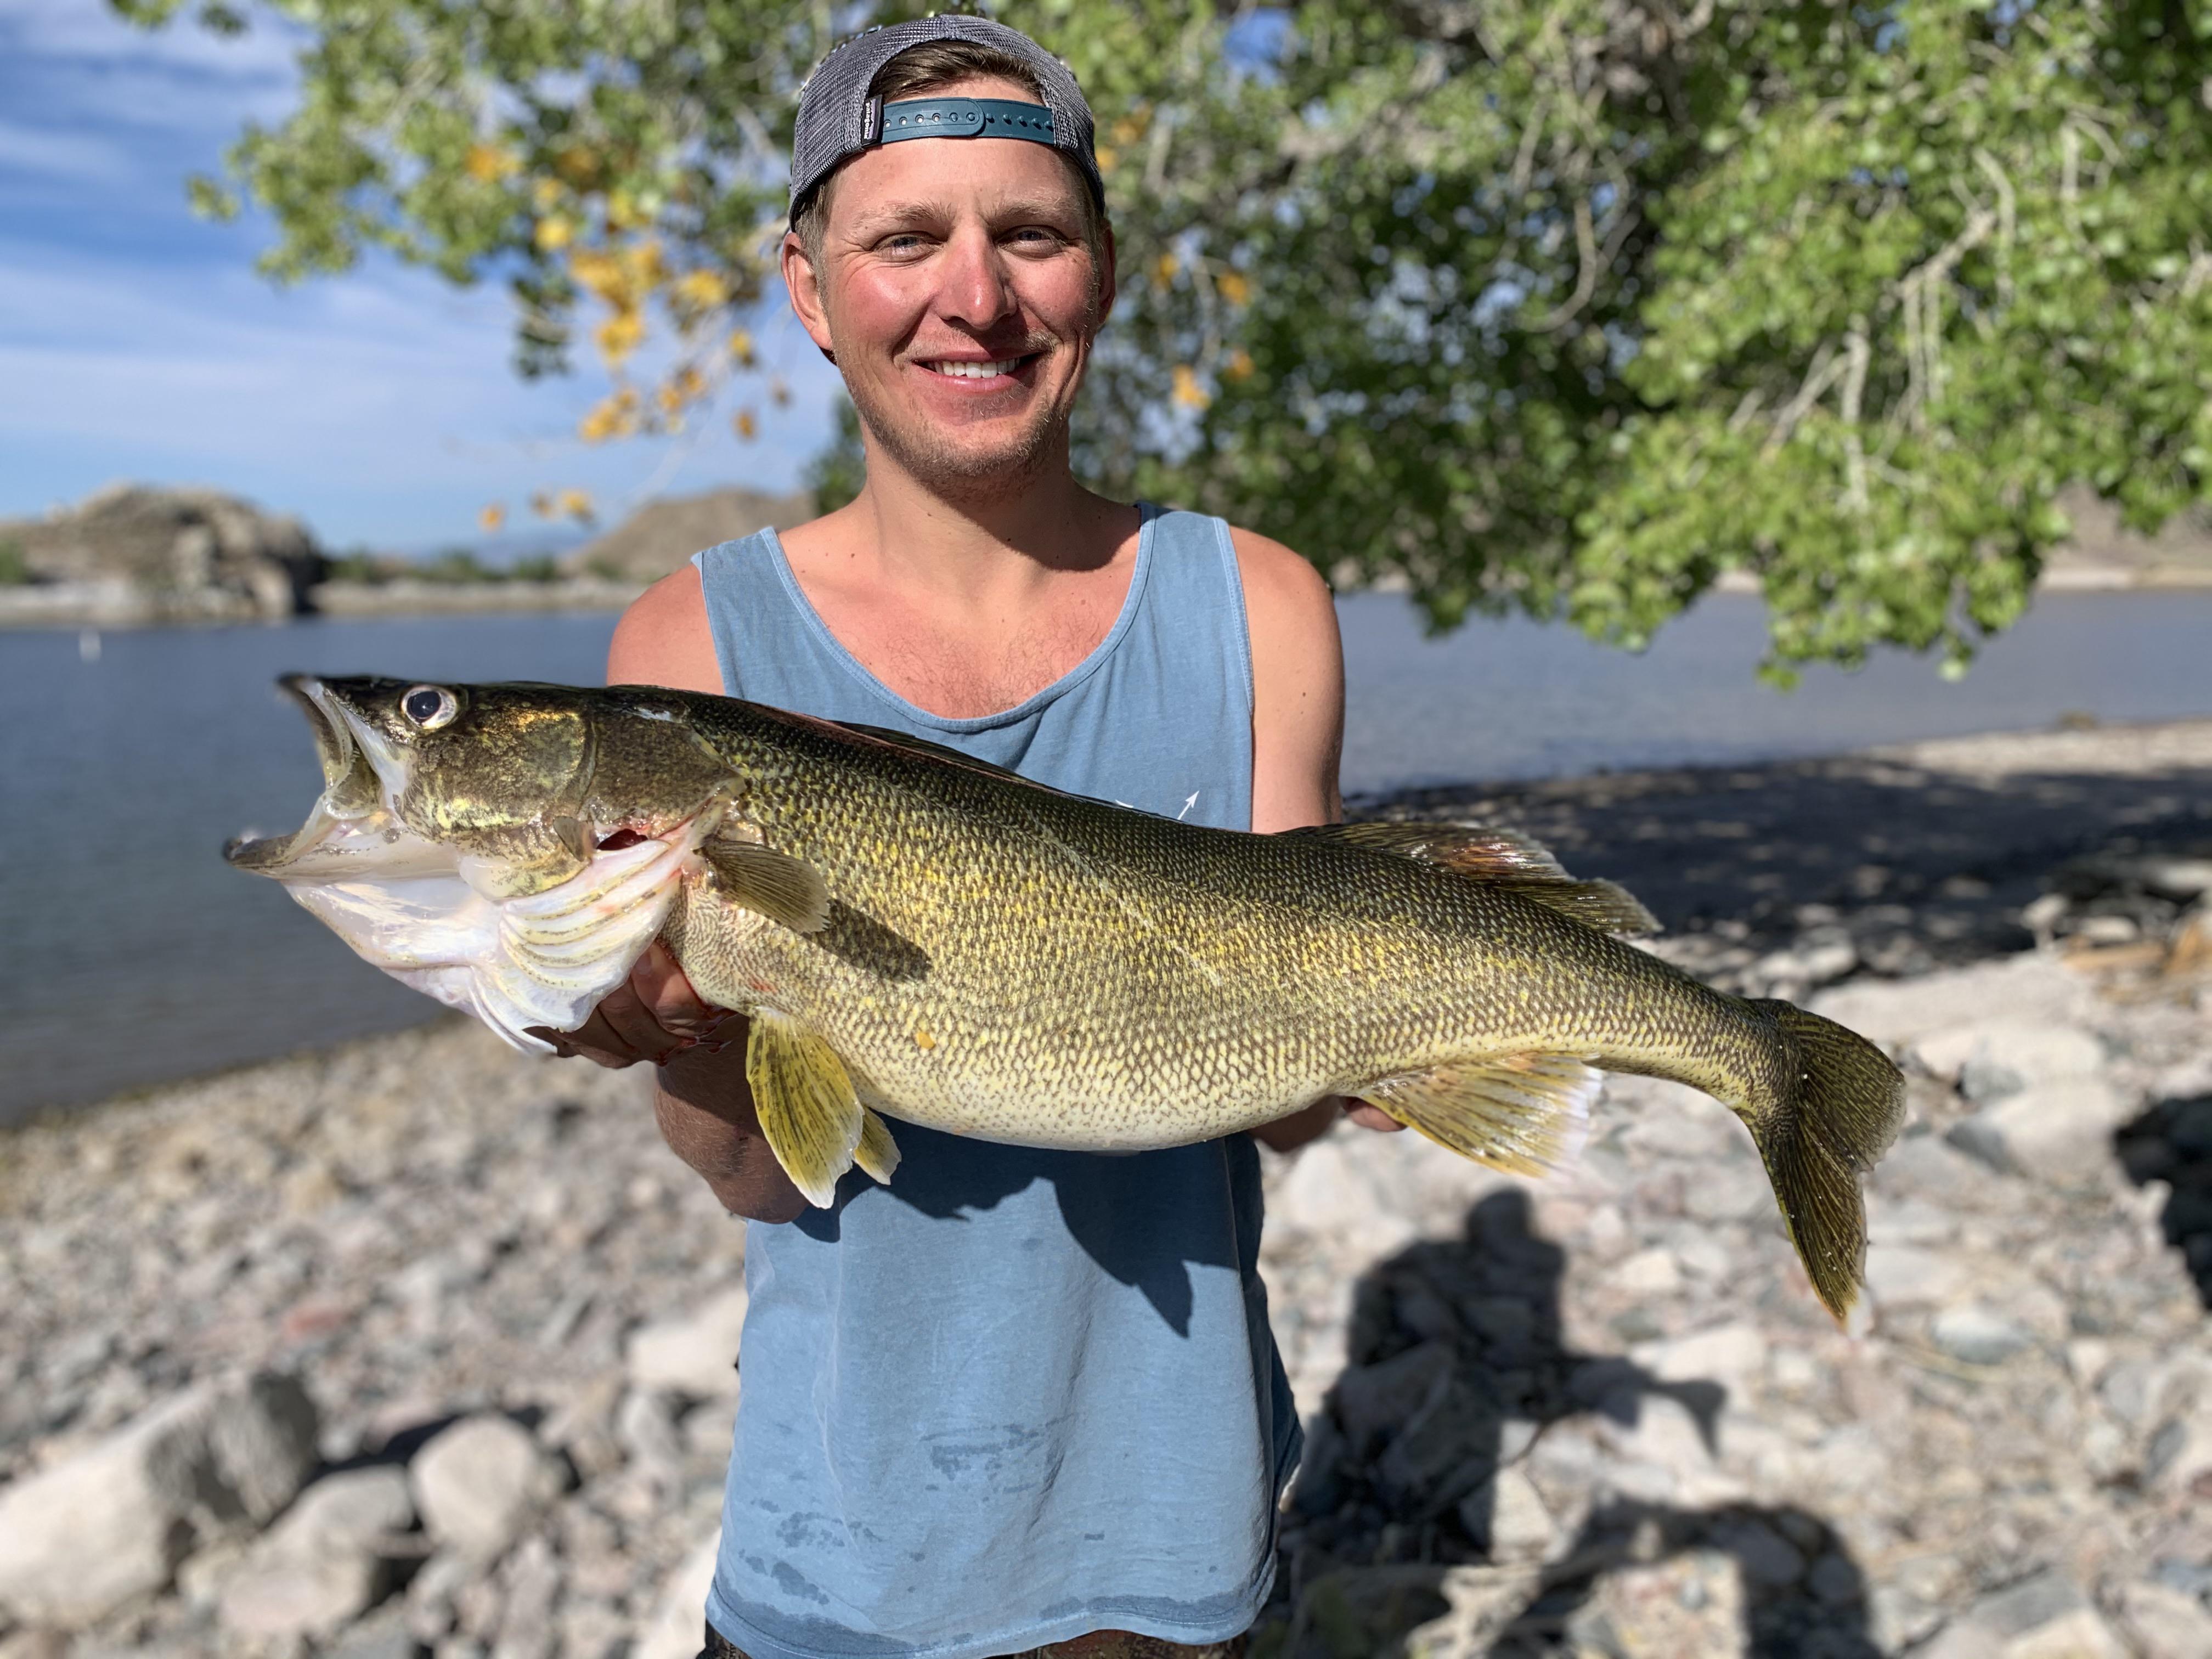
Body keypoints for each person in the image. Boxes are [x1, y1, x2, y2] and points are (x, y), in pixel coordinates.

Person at [537, 17, 1397, 1657]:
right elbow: (751, 1179)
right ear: (809, 288)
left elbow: (1282, 1133)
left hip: (1179, 1537)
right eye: (905, 238)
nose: (977, 297)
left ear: (1105, 273)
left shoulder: (1264, 608)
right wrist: (683, 1042)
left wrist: (1419, 1043)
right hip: (834, 1563)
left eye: (1031, 234)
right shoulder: (688, 650)